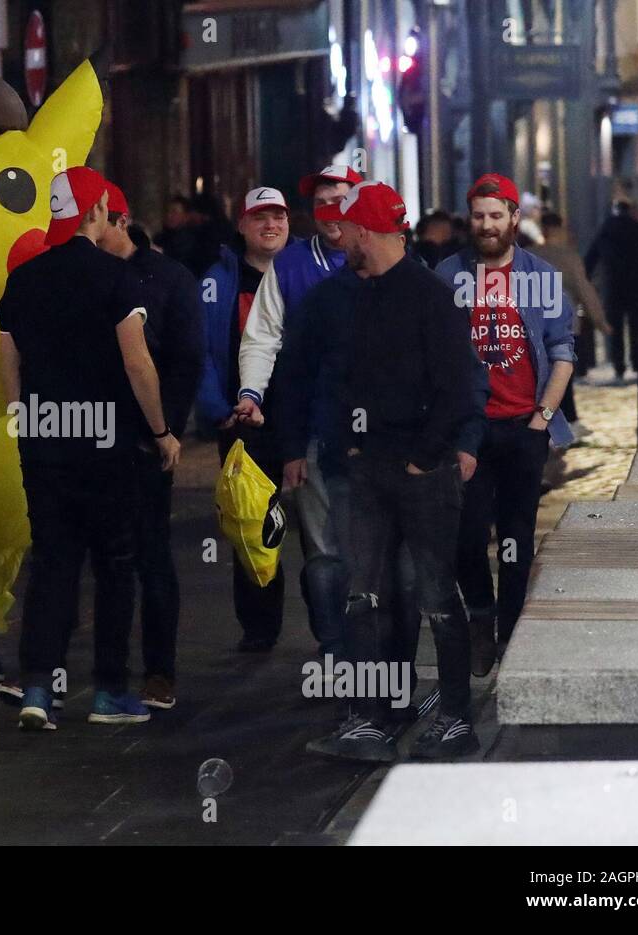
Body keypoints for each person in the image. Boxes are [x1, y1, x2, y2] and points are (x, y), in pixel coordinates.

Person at [0, 167, 180, 731]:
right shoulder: (114, 277)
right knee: (115, 563)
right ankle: (109, 692)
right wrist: (160, 431)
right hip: (106, 442)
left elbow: (7, 358)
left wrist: (21, 414)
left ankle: (36, 688)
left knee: (52, 563)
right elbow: (137, 361)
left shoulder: (23, 280)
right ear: (96, 210)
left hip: (43, 438)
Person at [306, 181, 484, 762]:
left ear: (365, 232)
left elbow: (459, 385)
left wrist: (423, 456)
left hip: (420, 472)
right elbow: (345, 378)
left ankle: (456, 718)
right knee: (364, 596)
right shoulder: (364, 293)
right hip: (371, 468)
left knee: (436, 594)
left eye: (348, 230)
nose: (341, 239)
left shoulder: (430, 296)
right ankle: (372, 719)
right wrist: (354, 446)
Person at [435, 174, 576, 676]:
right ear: (469, 219)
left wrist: (543, 417)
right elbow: (436, 354)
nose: (487, 225)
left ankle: (512, 636)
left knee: (516, 540)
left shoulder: (541, 276)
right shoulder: (448, 274)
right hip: (470, 431)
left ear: (515, 218)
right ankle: (480, 615)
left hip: (522, 428)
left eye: (497, 215)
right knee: (467, 538)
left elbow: (562, 350)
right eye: (479, 216)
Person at [235, 165, 358, 661]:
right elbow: (262, 337)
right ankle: (335, 650)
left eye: (341, 201)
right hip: (313, 429)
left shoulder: (380, 258)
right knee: (324, 550)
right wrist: (251, 392)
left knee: (380, 549)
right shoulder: (290, 266)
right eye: (323, 203)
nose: (331, 212)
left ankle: (377, 651)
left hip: (380, 433)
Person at [95, 181, 203, 709]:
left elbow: (184, 359)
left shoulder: (167, 279)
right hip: (87, 436)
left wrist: (168, 431)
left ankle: (159, 670)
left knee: (151, 554)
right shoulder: (86, 276)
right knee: (100, 558)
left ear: (120, 220)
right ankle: (106, 674)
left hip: (142, 438)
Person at [196, 186, 290, 652]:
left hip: (298, 422)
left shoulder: (303, 275)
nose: (270, 225)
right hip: (243, 423)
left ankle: (332, 631)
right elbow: (204, 353)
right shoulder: (218, 281)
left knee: (319, 533)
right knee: (252, 525)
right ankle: (259, 625)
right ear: (242, 225)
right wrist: (218, 413)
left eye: (278, 217)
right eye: (259, 217)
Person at [530, 211, 609, 435]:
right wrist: (600, 320)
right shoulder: (568, 256)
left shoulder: (529, 255)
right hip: (563, 324)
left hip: (535, 324)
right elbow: (584, 290)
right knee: (563, 375)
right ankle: (567, 420)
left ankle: (546, 421)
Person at [586, 198, 638, 383]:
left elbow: (592, 256)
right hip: (636, 284)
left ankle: (619, 365)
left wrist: (587, 277)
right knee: (637, 326)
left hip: (612, 285)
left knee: (615, 327)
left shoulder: (606, 230)